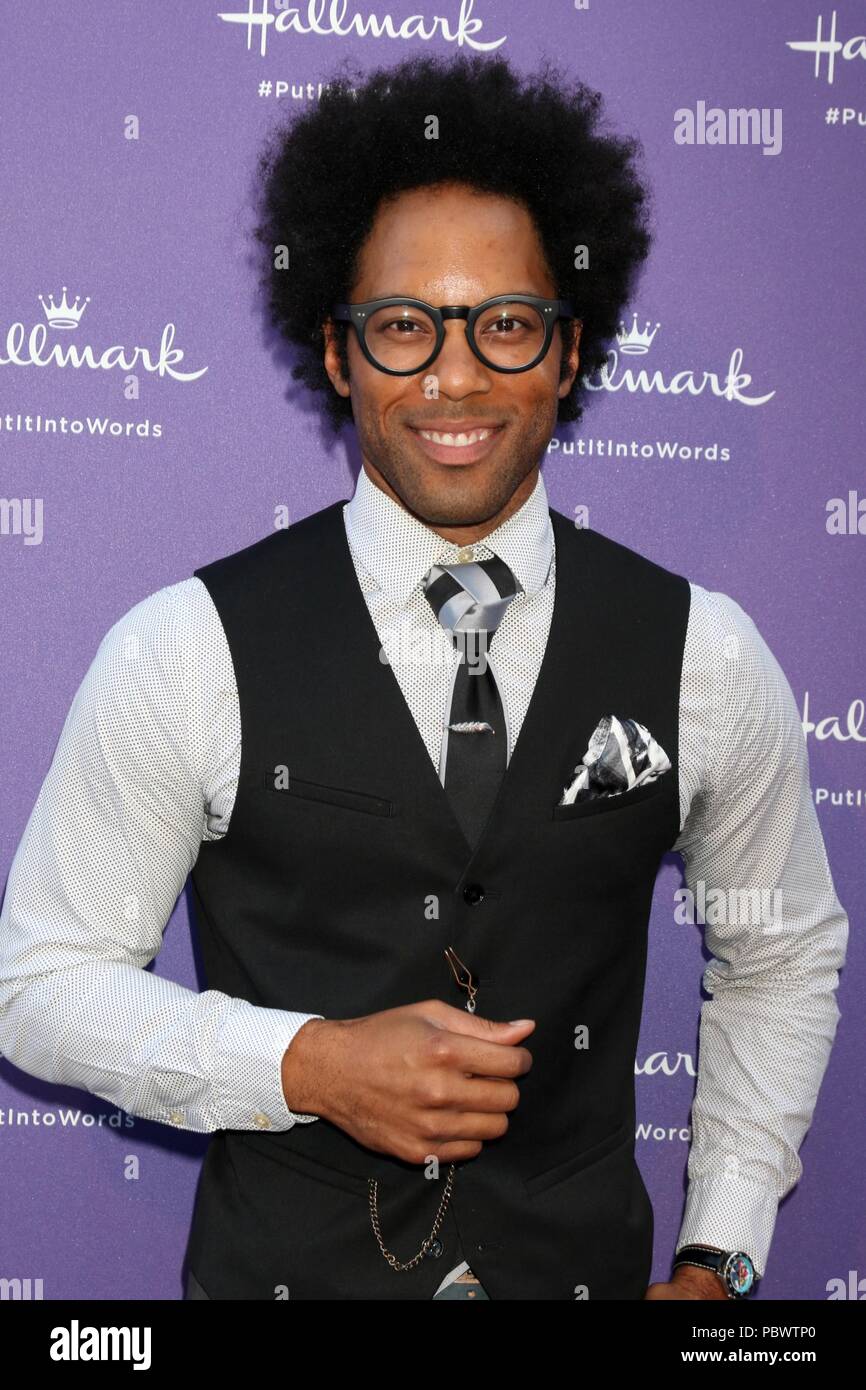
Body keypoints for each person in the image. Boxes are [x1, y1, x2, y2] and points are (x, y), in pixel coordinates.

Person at [0, 53, 848, 1302]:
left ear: (568, 350)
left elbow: (779, 954)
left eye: (504, 323)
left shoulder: (701, 651)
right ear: (337, 355)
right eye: (403, 326)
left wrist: (717, 1257)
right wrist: (307, 1064)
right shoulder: (185, 645)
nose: (454, 376)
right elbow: (43, 987)